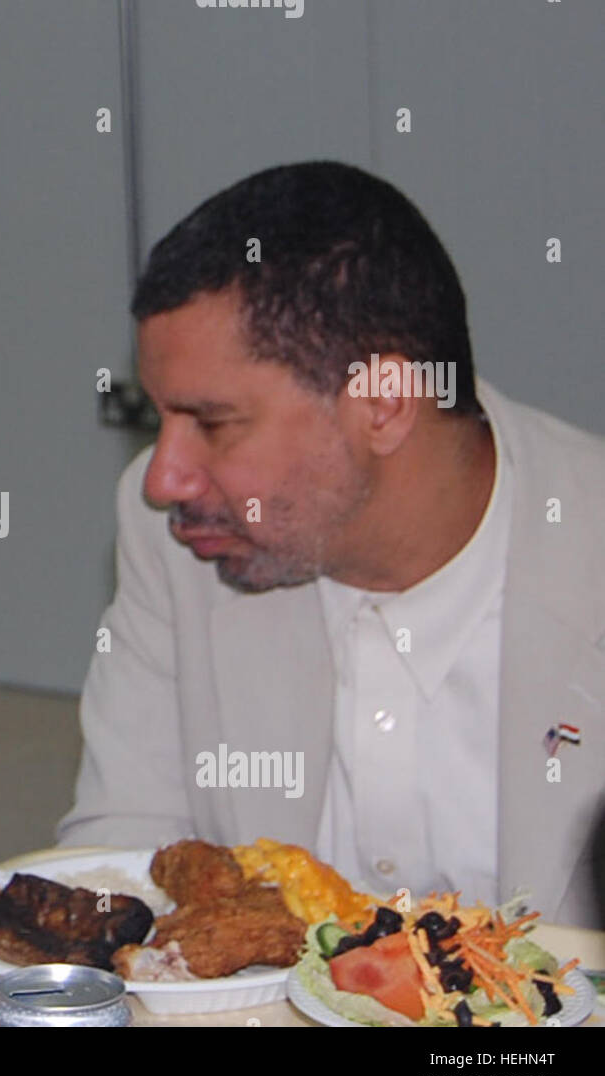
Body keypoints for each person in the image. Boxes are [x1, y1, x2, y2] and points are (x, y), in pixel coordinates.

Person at [58, 161, 605, 928]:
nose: (163, 479)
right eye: (159, 420)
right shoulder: (178, 540)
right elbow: (122, 869)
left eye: (211, 423)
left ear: (384, 402)